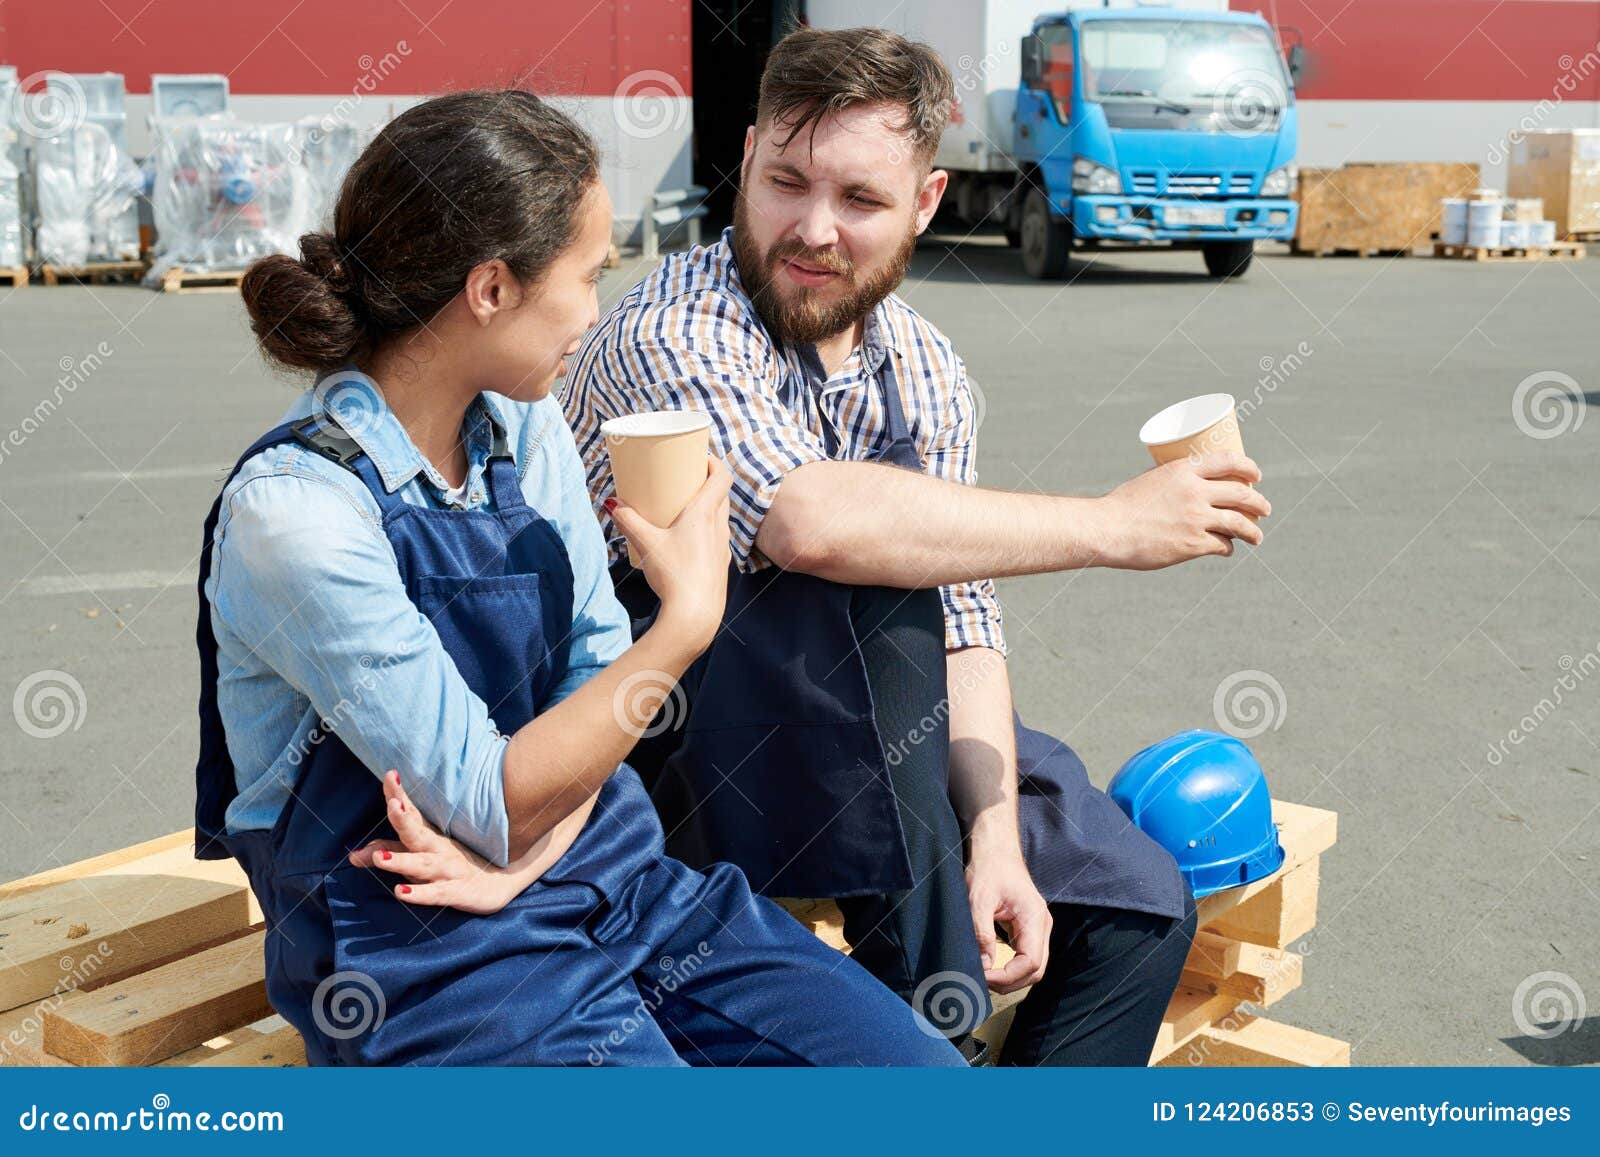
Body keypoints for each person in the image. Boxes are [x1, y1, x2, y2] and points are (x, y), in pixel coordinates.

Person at [194, 89, 962, 1068]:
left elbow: (592, 667)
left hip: (608, 874)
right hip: (429, 952)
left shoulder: (522, 426)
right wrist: (685, 618)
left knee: (923, 1077)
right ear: (490, 289)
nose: (597, 311)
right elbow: (491, 796)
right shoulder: (299, 514)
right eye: (588, 275)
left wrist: (535, 852)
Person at [560, 28, 1271, 1065]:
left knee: (1137, 904)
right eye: (785, 182)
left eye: (858, 199)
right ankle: (919, 1025)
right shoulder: (672, 329)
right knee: (872, 586)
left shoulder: (925, 367)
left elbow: (968, 618)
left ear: (926, 203)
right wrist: (1112, 525)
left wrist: (992, 835)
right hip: (669, 748)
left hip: (881, 732)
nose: (811, 229)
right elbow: (812, 521)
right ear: (748, 155)